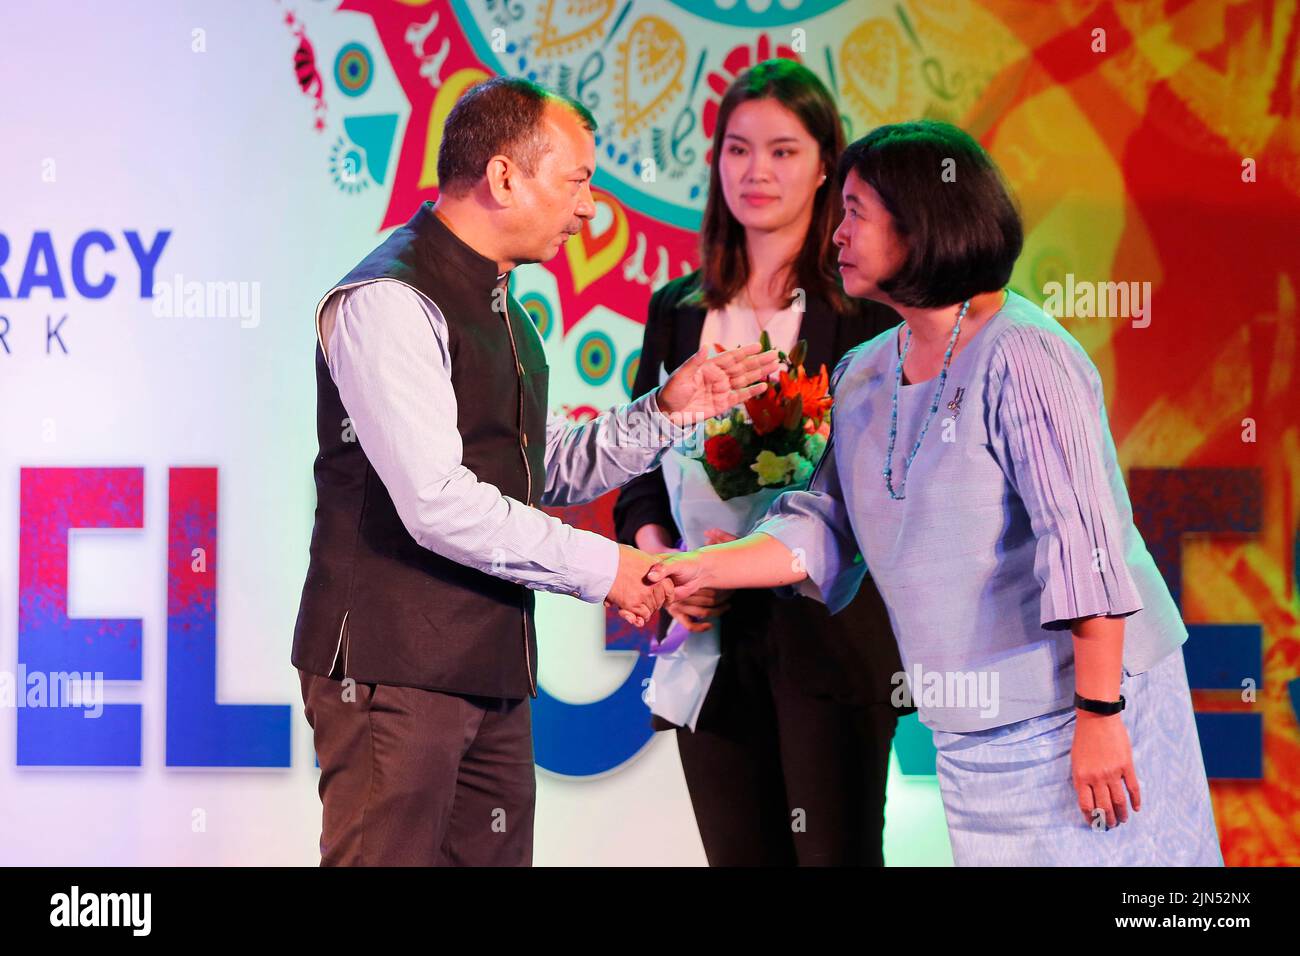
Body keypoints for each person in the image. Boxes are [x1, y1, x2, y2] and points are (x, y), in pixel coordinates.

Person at [644, 120, 1223, 866]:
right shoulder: (862, 371)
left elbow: (1083, 548)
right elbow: (821, 525)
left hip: (1077, 711)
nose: (835, 235)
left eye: (854, 213)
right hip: (971, 731)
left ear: (918, 228)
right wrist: (698, 569)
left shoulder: (1024, 352)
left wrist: (1102, 712)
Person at [291, 76, 779, 866]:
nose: (591, 209)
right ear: (504, 177)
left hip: (489, 668)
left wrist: (665, 410)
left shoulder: (502, 305)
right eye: (579, 181)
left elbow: (525, 463)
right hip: (394, 674)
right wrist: (608, 565)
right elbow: (439, 502)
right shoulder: (389, 300)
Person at [613, 60, 910, 866]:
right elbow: (640, 463)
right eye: (738, 149)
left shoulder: (863, 313)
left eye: (783, 151)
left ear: (825, 166)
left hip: (829, 637)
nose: (756, 171)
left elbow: (875, 486)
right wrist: (661, 563)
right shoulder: (677, 310)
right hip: (708, 639)